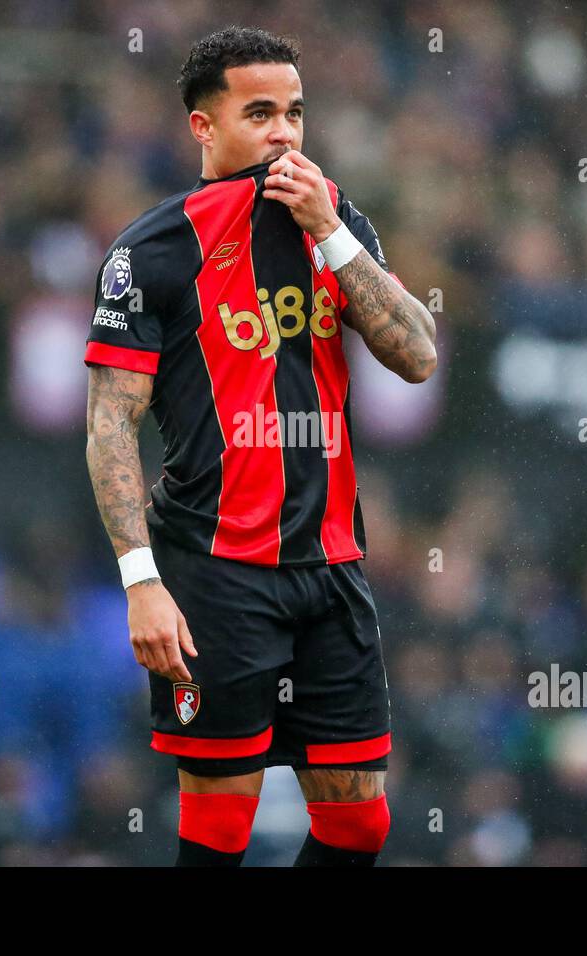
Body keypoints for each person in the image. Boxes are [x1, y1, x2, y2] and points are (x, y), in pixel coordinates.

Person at [84, 25, 437, 867]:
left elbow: (418, 355)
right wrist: (142, 585)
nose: (284, 131)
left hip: (331, 567)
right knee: (221, 825)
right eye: (261, 112)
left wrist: (331, 231)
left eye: (296, 113)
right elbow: (108, 425)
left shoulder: (335, 222)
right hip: (215, 571)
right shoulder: (152, 251)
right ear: (204, 127)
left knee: (360, 824)